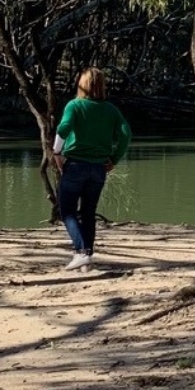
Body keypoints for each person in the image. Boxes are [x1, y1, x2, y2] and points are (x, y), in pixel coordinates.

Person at [52, 67, 132, 271]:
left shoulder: (74, 105)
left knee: (67, 211)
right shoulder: (110, 110)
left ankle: (81, 252)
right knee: (88, 212)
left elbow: (63, 128)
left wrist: (56, 152)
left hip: (76, 164)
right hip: (98, 168)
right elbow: (125, 134)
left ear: (82, 84)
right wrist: (114, 159)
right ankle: (86, 257)